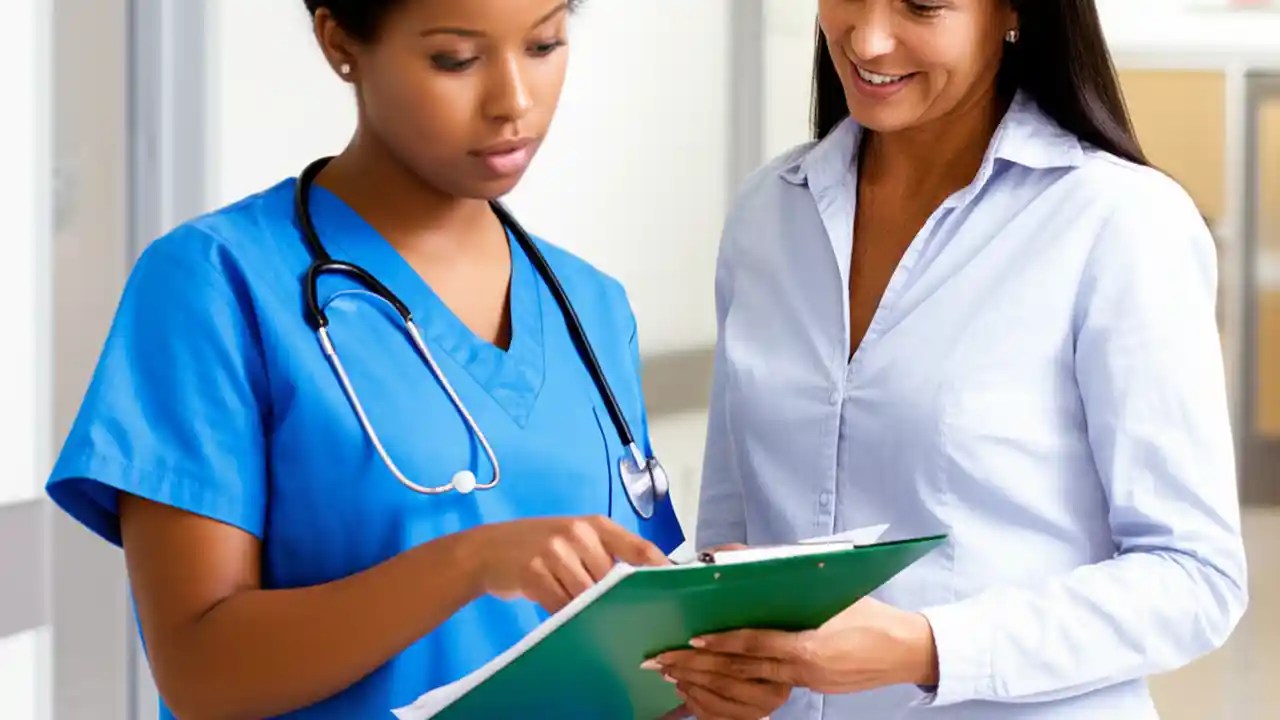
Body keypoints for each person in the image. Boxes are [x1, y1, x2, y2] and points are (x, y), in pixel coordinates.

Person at [43, 2, 778, 718]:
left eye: (545, 44)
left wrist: (715, 679)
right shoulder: (216, 284)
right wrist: (468, 563)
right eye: (455, 59)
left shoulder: (590, 306)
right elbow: (199, 670)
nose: (513, 101)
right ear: (339, 42)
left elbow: (633, 650)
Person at [652, 0, 1249, 718]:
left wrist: (924, 646)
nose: (868, 39)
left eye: (923, 5)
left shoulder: (1117, 223)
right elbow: (733, 536)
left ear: (1014, 12)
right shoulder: (766, 215)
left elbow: (1194, 579)